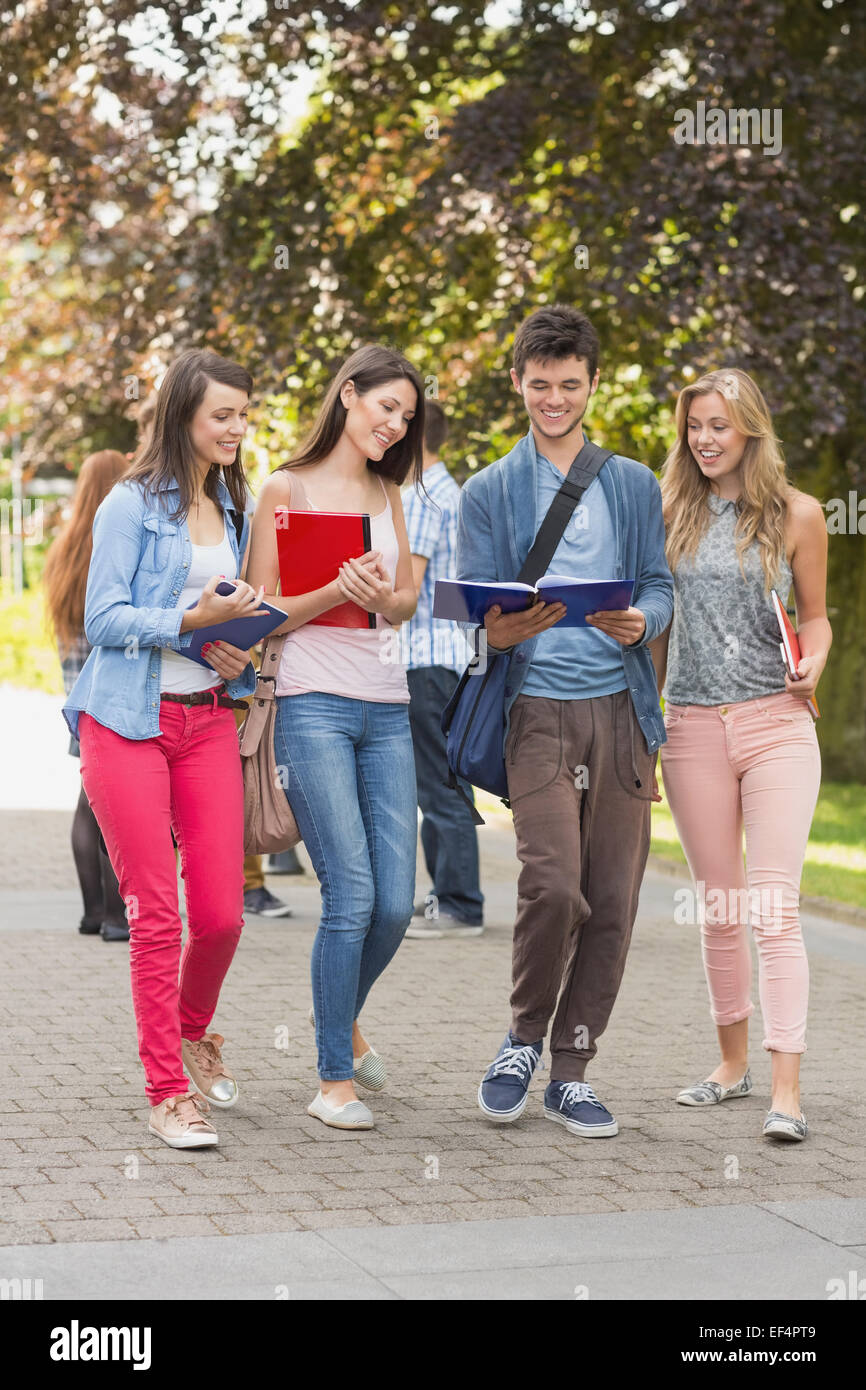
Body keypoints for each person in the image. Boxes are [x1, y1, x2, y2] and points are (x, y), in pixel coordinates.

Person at [459, 304, 673, 1138]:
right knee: (553, 884)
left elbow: (657, 583)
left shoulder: (630, 483)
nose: (555, 400)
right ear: (517, 381)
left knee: (613, 897)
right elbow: (482, 610)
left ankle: (572, 1069)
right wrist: (500, 627)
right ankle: (520, 1039)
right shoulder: (490, 490)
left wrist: (642, 623)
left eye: (570, 385)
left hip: (621, 714)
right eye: (540, 384)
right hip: (537, 713)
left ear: (592, 384)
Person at [62, 349, 264, 1150]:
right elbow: (103, 617)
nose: (237, 430)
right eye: (223, 415)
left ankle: (190, 1028)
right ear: (184, 415)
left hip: (208, 718)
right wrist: (191, 622)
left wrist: (235, 643)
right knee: (155, 915)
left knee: (220, 915)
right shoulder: (129, 505)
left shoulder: (233, 507)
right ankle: (169, 1090)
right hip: (126, 724)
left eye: (244, 416)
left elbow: (224, 622)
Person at [246, 344, 423, 1131]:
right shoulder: (284, 487)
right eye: (387, 407)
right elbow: (254, 612)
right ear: (348, 395)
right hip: (312, 702)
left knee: (394, 904)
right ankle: (331, 1080)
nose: (395, 425)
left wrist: (386, 594)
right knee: (349, 894)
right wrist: (331, 591)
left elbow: (410, 601)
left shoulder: (391, 493)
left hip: (387, 707)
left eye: (407, 418)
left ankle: (340, 1014)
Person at [651, 368, 830, 1142]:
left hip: (776, 724)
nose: (704, 440)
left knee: (773, 907)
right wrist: (645, 724)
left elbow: (816, 620)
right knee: (719, 908)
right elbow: (655, 629)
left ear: (751, 429)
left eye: (718, 426)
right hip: (690, 728)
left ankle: (785, 1088)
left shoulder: (799, 514)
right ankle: (731, 1066)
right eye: (694, 427)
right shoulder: (669, 512)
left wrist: (814, 660)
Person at [401, 400, 483, 939]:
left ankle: (457, 904)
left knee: (439, 786)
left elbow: (405, 585)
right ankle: (446, 897)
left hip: (426, 658)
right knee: (442, 783)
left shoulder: (422, 497)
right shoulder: (453, 492)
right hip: (449, 657)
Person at [43, 450, 131, 941]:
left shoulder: (64, 551)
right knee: (108, 808)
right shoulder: (115, 543)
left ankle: (94, 912)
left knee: (89, 805)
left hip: (76, 694)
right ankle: (116, 917)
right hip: (111, 693)